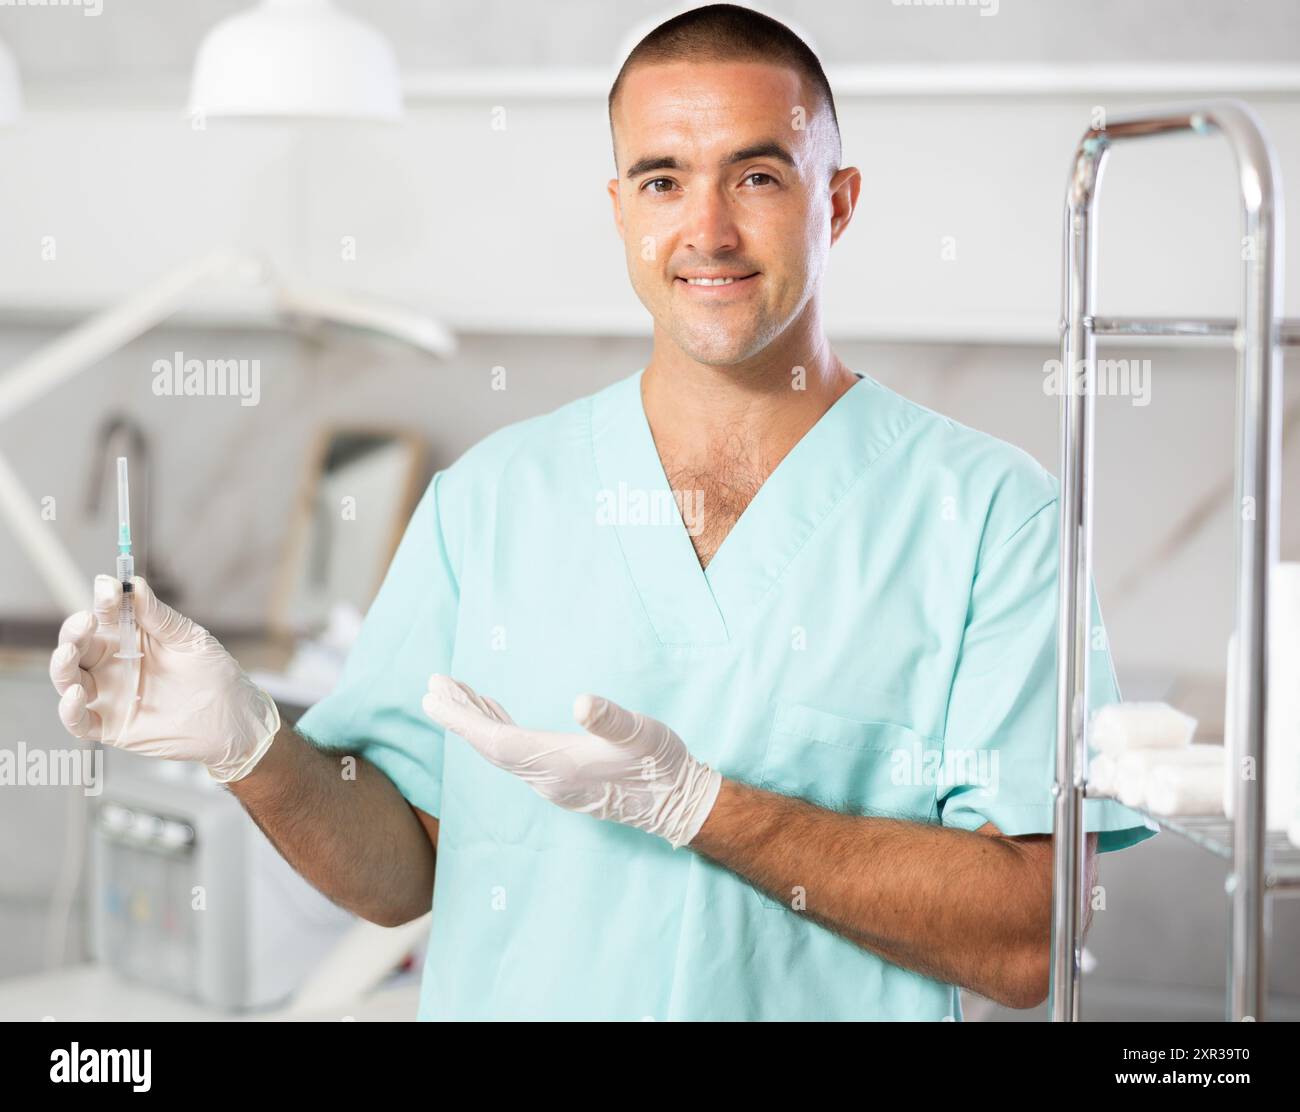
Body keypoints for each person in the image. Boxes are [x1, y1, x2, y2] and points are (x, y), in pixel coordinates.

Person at [49, 4, 1156, 1021]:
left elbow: (1029, 939)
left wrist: (699, 806)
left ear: (839, 199)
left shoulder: (991, 519)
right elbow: (400, 873)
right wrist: (248, 742)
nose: (708, 230)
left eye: (758, 177)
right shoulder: (489, 502)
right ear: (620, 206)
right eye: (664, 179)